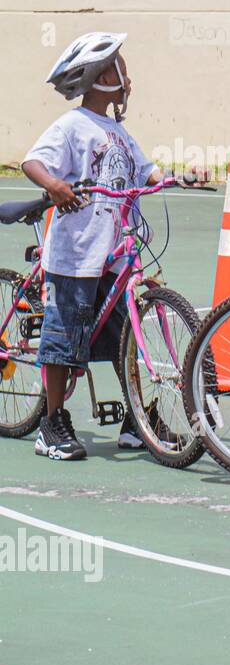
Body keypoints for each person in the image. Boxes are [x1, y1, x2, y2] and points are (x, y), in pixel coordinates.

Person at [21, 32, 170, 459]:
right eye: (119, 66)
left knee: (127, 335)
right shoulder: (72, 125)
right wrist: (56, 186)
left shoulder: (119, 133)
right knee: (63, 341)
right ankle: (51, 424)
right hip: (76, 256)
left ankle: (137, 420)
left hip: (113, 256)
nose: (126, 76)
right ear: (101, 75)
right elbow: (33, 161)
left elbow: (147, 171)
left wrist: (181, 176)